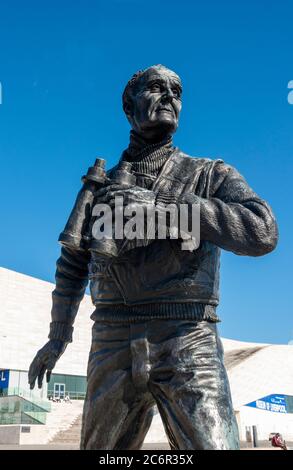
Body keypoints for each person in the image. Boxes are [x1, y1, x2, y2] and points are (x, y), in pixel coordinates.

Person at [28, 65, 278, 450]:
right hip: (112, 337)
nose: (170, 98)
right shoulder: (101, 186)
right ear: (129, 108)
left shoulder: (208, 174)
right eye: (157, 88)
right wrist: (57, 336)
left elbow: (262, 231)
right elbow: (73, 263)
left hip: (188, 335)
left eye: (176, 92)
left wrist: (166, 207)